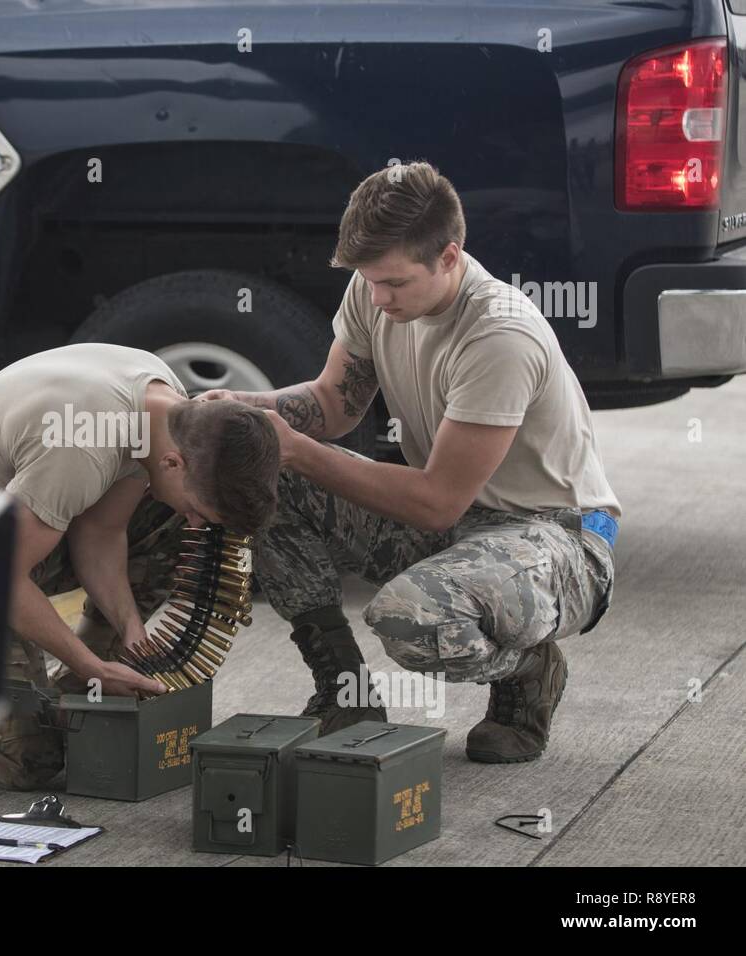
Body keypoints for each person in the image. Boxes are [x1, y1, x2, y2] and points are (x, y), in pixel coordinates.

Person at [204, 162, 619, 762]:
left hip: (555, 536)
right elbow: (330, 405)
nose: (378, 298)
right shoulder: (376, 288)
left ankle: (527, 669)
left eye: (394, 283)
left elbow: (435, 500)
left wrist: (294, 445)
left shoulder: (499, 336)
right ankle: (343, 693)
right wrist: (242, 407)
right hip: (459, 524)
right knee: (275, 475)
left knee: (411, 619)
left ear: (449, 257)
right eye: (368, 281)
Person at [0, 342, 281, 788]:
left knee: (169, 533)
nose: (193, 518)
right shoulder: (81, 445)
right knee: (24, 762)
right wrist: (92, 667)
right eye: (196, 506)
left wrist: (132, 634)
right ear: (174, 463)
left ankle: (72, 696)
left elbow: (100, 533)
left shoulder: (164, 408)